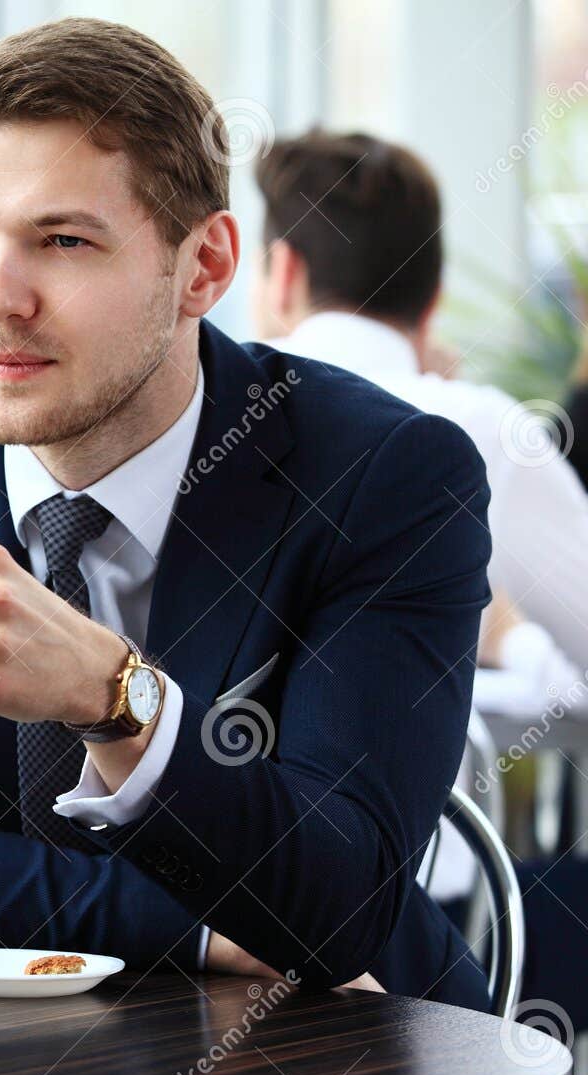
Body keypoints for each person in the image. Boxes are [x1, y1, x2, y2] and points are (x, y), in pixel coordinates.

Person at [0, 17, 490, 1008]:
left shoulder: (381, 474)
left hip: (332, 1066)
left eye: (61, 240)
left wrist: (114, 697)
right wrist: (191, 925)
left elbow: (337, 903)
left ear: (203, 267)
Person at [252, 130, 588, 686]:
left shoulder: (212, 409)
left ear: (283, 274)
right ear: (433, 300)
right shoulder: (486, 430)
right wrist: (510, 643)